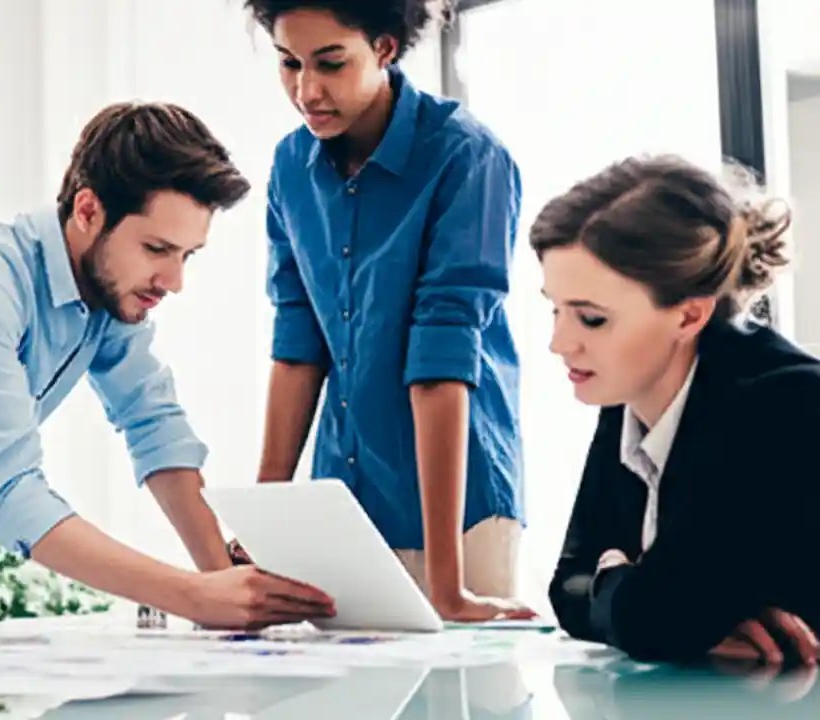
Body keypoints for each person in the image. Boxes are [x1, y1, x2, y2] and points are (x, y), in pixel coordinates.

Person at [0, 101, 336, 630]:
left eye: (187, 255)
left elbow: (155, 427)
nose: (173, 280)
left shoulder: (112, 299)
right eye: (157, 248)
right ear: (88, 211)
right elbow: (11, 493)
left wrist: (222, 583)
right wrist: (191, 595)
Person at [242, 0, 532, 621]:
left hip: (461, 504)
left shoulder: (467, 157)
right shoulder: (290, 167)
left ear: (385, 48)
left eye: (330, 63)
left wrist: (449, 585)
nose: (306, 90)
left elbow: (441, 360)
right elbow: (297, 344)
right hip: (339, 502)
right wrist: (264, 527)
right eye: (289, 63)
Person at [539, 155, 820, 666]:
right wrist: (644, 600)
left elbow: (655, 617)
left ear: (690, 314)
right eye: (555, 309)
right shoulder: (630, 390)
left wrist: (623, 587)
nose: (559, 343)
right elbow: (567, 590)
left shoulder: (783, 403)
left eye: (592, 319)